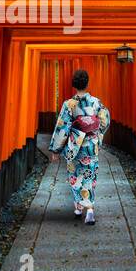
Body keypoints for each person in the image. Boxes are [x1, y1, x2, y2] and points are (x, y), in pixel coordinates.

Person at [48, 69, 112, 225]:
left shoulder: (69, 104)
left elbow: (62, 128)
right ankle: (89, 208)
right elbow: (105, 121)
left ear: (74, 85)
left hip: (74, 146)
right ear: (87, 83)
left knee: (75, 175)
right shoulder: (96, 102)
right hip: (91, 145)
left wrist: (56, 149)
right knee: (89, 174)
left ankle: (79, 207)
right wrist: (98, 134)